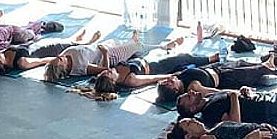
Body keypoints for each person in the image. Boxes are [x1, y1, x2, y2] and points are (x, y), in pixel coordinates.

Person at [156, 56, 277, 104]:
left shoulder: (179, 76)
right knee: (255, 72)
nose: (170, 79)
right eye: (169, 83)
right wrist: (237, 92)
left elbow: (163, 76)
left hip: (218, 68)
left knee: (243, 62)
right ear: (175, 90)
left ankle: (266, 64)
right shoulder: (192, 88)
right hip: (227, 78)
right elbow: (215, 91)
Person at [91, 47, 220, 95]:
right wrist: (170, 76)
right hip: (156, 67)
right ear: (112, 81)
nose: (107, 70)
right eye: (107, 73)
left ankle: (170, 46)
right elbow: (152, 78)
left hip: (145, 59)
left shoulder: (115, 72)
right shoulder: (130, 80)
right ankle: (210, 59)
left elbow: (104, 69)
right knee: (184, 57)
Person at [0, 30, 102, 77]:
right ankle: (87, 42)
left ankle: (77, 40)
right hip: (46, 50)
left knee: (66, 43)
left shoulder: (4, 55)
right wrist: (58, 59)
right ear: (1, 65)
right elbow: (42, 61)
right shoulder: (22, 62)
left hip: (37, 44)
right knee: (72, 49)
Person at [42, 33, 148, 83]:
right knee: (136, 46)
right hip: (109, 56)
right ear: (64, 67)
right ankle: (135, 44)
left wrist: (92, 41)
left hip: (99, 48)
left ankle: (131, 42)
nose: (60, 56)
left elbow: (82, 48)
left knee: (118, 41)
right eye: (60, 60)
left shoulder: (65, 54)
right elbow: (104, 70)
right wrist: (105, 53)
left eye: (58, 57)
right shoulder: (79, 66)